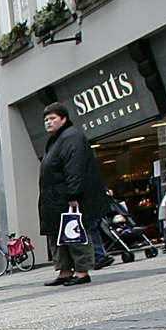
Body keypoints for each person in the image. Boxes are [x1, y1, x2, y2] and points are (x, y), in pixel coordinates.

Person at [37, 101, 112, 288]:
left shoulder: (71, 138)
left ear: (63, 119)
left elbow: (74, 168)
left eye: (52, 118)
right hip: (55, 198)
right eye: (46, 119)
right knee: (58, 236)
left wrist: (74, 194)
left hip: (67, 197)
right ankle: (64, 271)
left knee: (75, 234)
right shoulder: (56, 140)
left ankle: (81, 272)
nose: (48, 122)